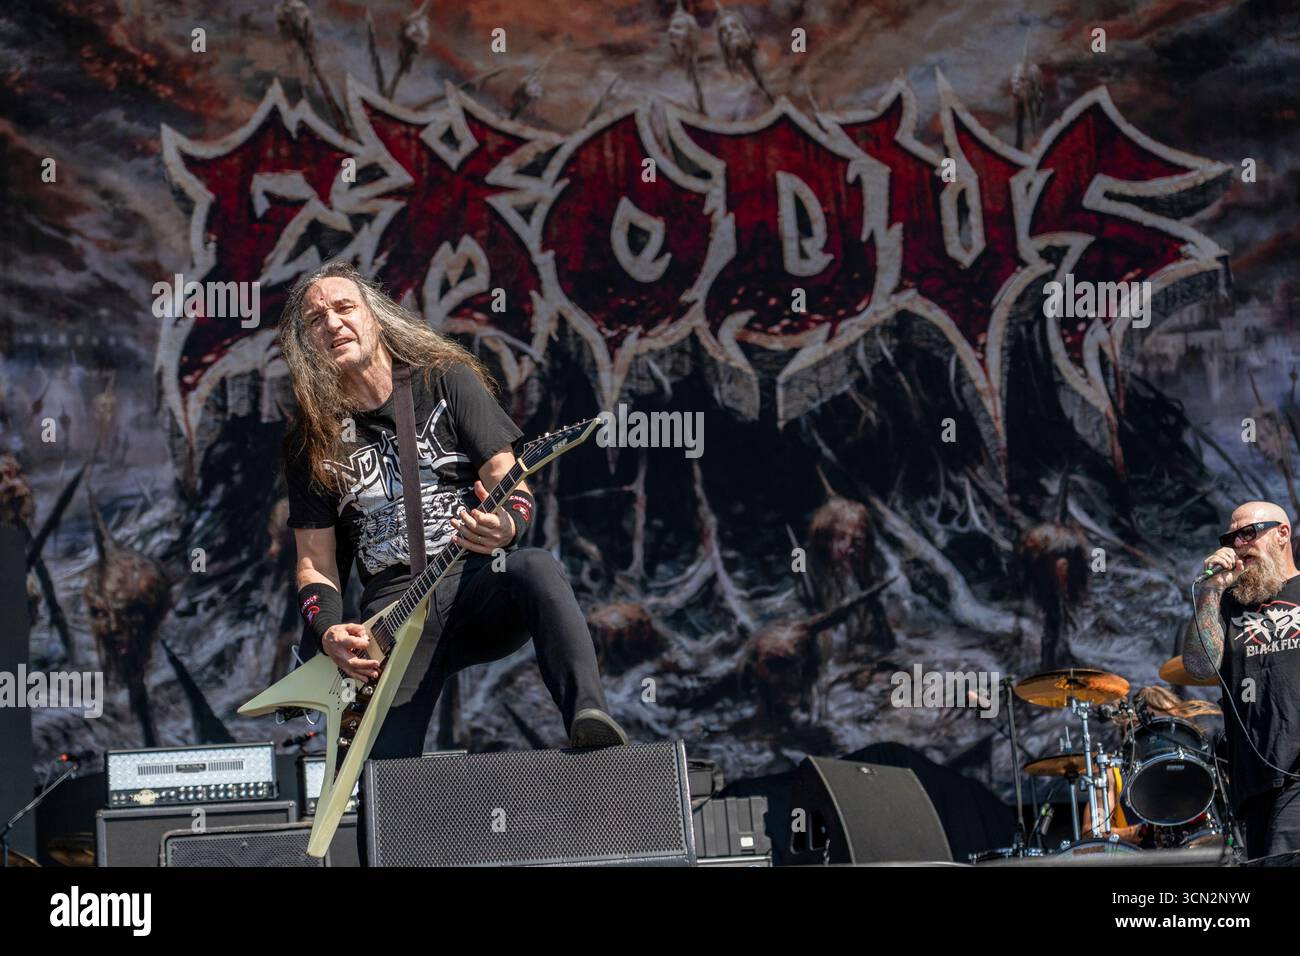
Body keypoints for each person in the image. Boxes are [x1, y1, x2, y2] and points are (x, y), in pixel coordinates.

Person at [278, 260, 628, 765]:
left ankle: (589, 719)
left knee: (534, 566)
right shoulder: (311, 443)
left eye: (344, 307)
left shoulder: (445, 381)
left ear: (376, 318)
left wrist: (504, 524)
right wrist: (329, 630)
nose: (332, 323)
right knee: (381, 788)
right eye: (315, 319)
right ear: (305, 344)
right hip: (392, 615)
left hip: (473, 581)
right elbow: (315, 564)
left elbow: (510, 479)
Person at [1182, 501, 1300, 864]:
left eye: (1249, 533)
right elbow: (1199, 667)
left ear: (1282, 533)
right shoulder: (1226, 605)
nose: (1239, 544)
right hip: (1253, 782)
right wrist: (1212, 589)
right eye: (1231, 538)